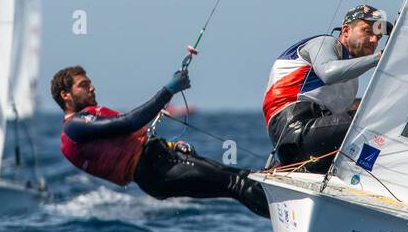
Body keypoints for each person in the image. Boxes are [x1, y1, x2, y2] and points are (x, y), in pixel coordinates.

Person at [54, 65, 269, 218]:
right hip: (154, 172)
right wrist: (169, 90)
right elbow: (129, 122)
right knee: (236, 184)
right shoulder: (74, 127)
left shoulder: (87, 119)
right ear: (66, 95)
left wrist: (171, 147)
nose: (92, 88)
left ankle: (289, 210)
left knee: (241, 177)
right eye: (84, 85)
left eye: (90, 84)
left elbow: (128, 140)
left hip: (161, 159)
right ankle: (292, 223)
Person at [262, 4, 391, 172]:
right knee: (376, 118)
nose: (374, 41)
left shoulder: (352, 80)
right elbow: (328, 73)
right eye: (368, 31)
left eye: (379, 37)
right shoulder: (326, 43)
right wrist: (378, 58)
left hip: (311, 143)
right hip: (294, 130)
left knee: (377, 120)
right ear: (345, 31)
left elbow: (337, 121)